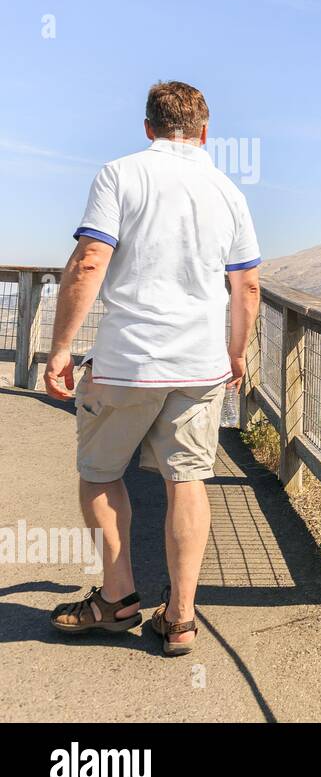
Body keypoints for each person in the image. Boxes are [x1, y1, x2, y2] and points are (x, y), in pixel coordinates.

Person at [44, 81, 261, 656]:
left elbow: (91, 259)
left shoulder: (120, 174)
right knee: (187, 480)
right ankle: (181, 619)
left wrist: (61, 346)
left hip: (128, 361)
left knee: (100, 474)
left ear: (148, 128)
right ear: (205, 132)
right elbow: (248, 285)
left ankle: (117, 601)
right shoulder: (227, 190)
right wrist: (235, 352)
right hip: (200, 364)